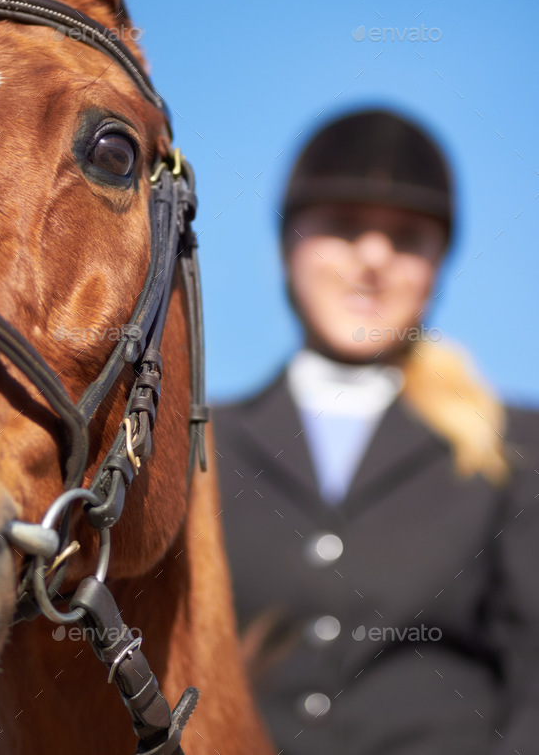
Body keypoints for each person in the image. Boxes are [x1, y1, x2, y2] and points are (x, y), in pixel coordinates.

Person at [212, 109, 539, 755]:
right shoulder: (200, 443)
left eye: (407, 237)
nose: (373, 258)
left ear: (438, 265)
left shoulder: (517, 447)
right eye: (341, 226)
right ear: (287, 246)